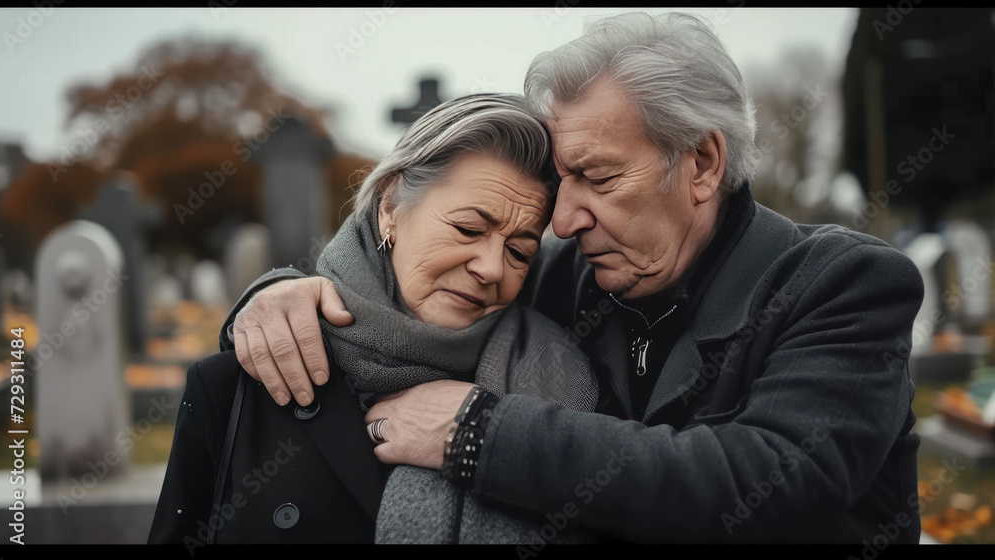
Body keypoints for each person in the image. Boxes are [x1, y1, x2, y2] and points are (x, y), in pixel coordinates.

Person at [221, 12, 925, 543]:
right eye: (562, 181)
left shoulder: (845, 284)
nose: (562, 220)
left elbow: (770, 481)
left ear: (704, 164)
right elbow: (415, 285)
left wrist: (479, 433)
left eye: (597, 176)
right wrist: (282, 293)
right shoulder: (564, 273)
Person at [148, 94, 599, 546]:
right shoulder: (238, 381)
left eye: (519, 251)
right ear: (390, 208)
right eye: (468, 229)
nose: (492, 268)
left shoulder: (560, 386)